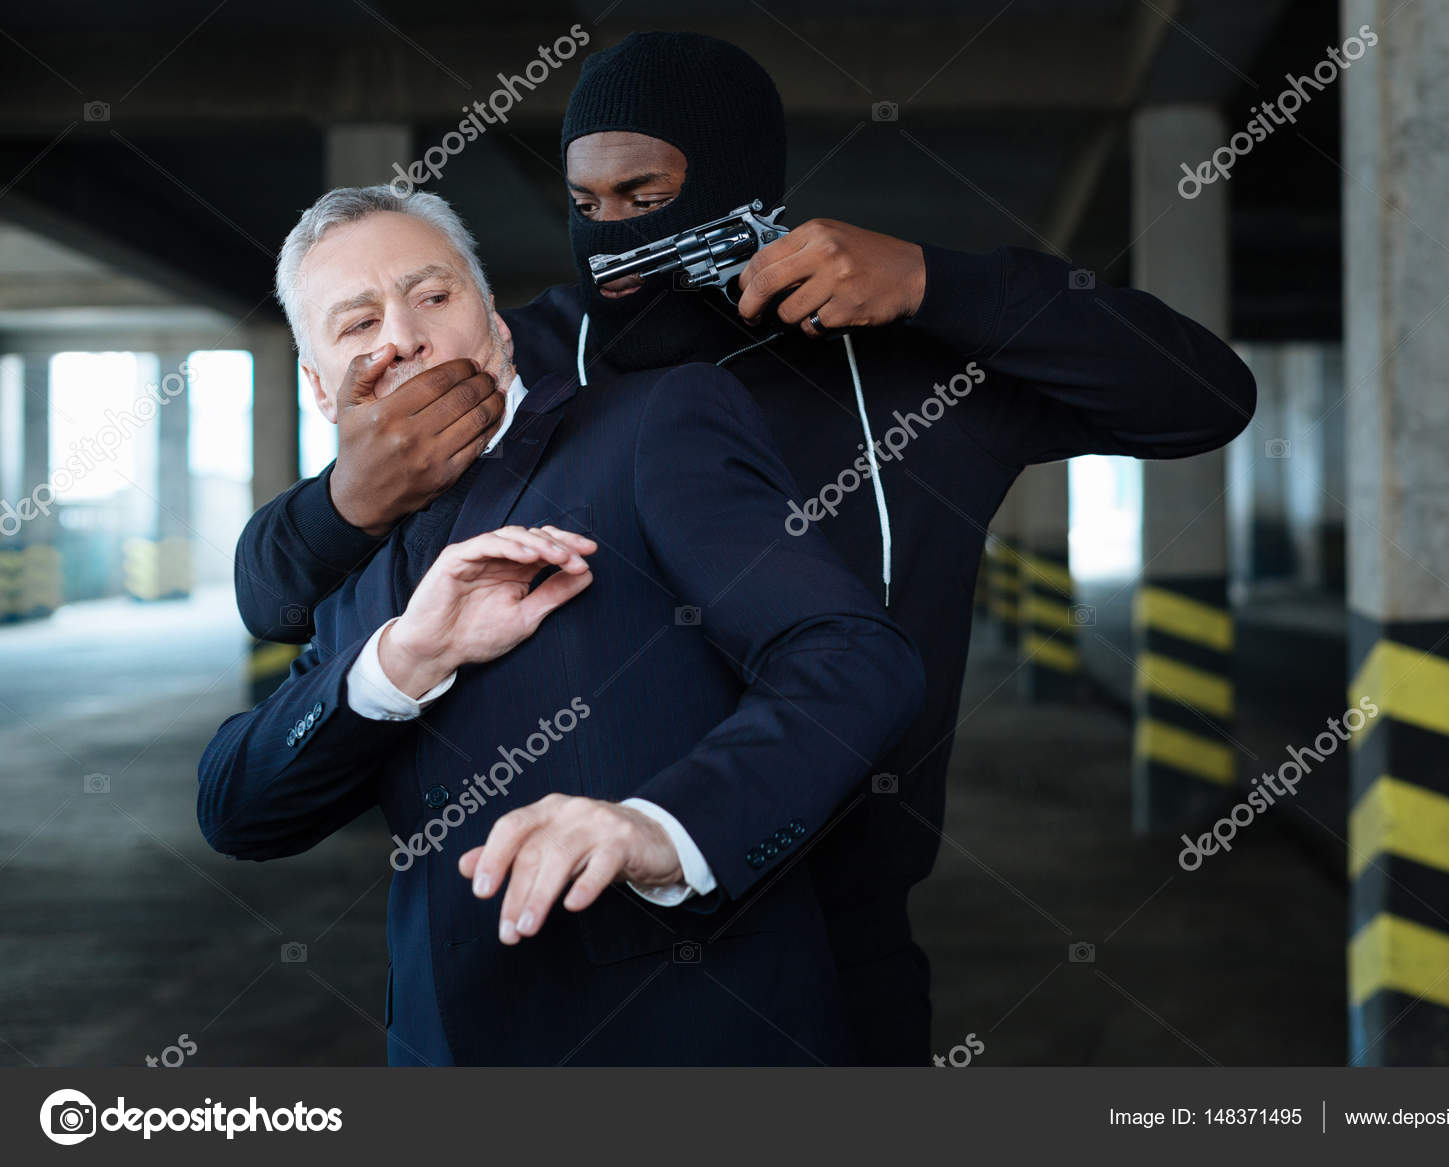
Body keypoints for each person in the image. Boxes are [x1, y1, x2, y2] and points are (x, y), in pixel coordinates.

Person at [233, 32, 1257, 1065]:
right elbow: (274, 600)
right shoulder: (521, 358)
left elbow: (1203, 396)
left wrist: (938, 285)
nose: (612, 238)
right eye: (585, 206)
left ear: (734, 185)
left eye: (643, 196)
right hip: (573, 952)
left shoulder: (919, 372)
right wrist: (347, 499)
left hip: (850, 931)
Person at [199, 186, 925, 1066]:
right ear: (319, 386)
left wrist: (662, 829)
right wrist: (402, 657)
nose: (402, 336)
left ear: (497, 328)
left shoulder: (652, 426)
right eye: (357, 324)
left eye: (433, 296)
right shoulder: (348, 560)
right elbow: (236, 810)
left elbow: (851, 658)